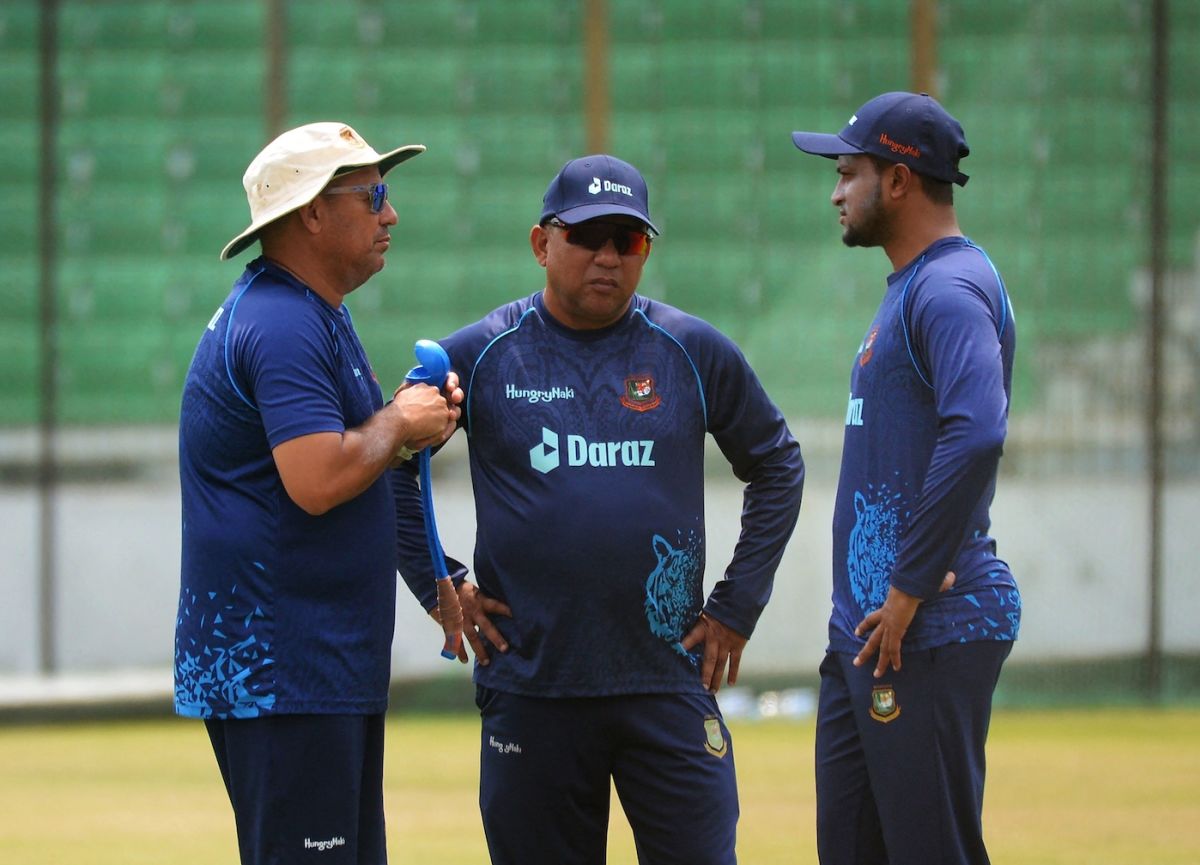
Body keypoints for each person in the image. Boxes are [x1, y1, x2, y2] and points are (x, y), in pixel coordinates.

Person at [411, 153, 805, 865]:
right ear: (542, 244)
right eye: (589, 236)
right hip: (533, 687)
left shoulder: (691, 351)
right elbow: (393, 464)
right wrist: (440, 579)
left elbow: (778, 464)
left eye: (628, 240)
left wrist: (737, 604)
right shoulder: (481, 354)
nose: (608, 256)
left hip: (665, 680)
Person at [174, 121, 464, 865]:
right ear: (310, 212)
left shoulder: (308, 311)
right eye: (374, 196)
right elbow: (318, 478)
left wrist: (407, 424)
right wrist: (400, 419)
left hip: (312, 671)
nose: (390, 215)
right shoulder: (281, 321)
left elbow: (354, 454)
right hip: (284, 672)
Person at [790, 92, 1021, 865]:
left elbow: (979, 427)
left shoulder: (948, 290)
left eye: (848, 172)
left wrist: (910, 584)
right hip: (871, 634)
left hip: (923, 628)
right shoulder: (912, 289)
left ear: (898, 180)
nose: (834, 191)